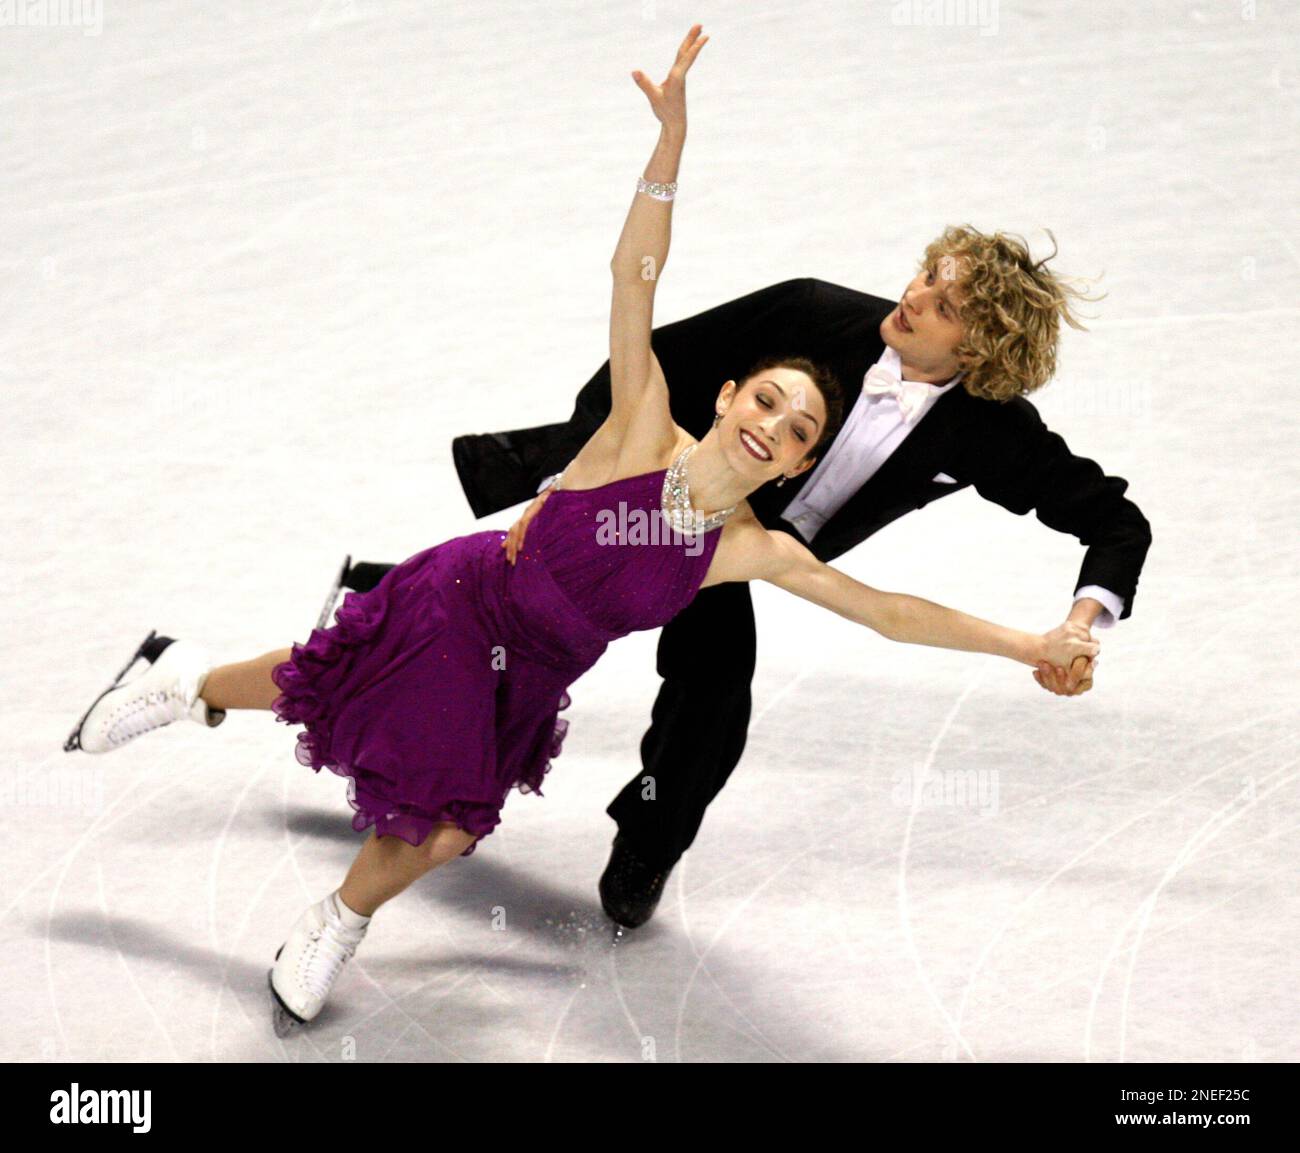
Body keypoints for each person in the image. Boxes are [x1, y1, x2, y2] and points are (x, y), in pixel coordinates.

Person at [64, 27, 1098, 1032]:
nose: (772, 426)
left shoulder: (746, 549)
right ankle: (237, 762)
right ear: (729, 393)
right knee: (355, 713)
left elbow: (890, 614)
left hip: (533, 673)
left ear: (792, 466)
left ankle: (207, 710)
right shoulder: (642, 425)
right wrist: (669, 146)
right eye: (766, 401)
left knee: (401, 765)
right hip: (463, 600)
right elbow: (633, 278)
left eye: (797, 432)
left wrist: (1030, 645)